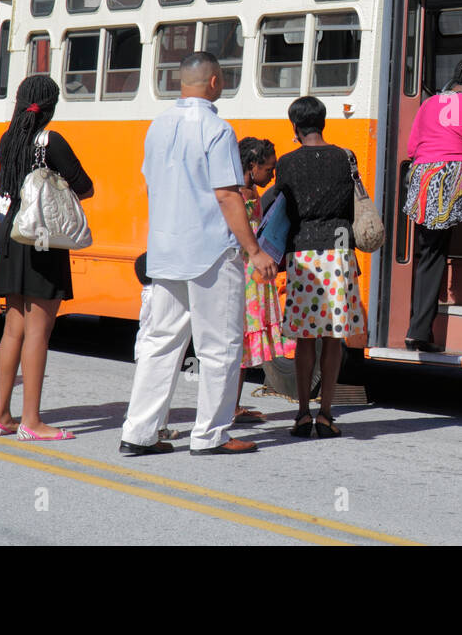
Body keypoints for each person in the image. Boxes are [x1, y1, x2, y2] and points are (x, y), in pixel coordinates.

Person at [120, 53, 277, 457]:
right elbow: (227, 193)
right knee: (219, 346)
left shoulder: (157, 127)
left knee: (160, 343)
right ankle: (210, 435)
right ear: (213, 82)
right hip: (209, 253)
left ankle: (138, 433)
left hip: (166, 250)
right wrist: (254, 249)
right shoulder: (217, 128)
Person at [0, 75, 94, 440]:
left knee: (12, 329)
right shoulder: (51, 140)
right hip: (41, 237)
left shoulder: (7, 139)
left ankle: (1, 416)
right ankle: (31, 421)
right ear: (50, 105)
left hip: (11, 234)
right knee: (39, 329)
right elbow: (84, 185)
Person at [276, 95, 367, 438]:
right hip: (340, 252)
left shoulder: (286, 164)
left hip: (303, 253)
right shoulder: (345, 158)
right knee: (333, 338)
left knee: (304, 337)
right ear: (324, 122)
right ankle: (326, 415)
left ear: (296, 127)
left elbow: (283, 211)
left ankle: (301, 414)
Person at [403, 57, 462, 352]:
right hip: (452, 176)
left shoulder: (431, 102)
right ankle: (425, 330)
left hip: (422, 176)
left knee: (430, 253)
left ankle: (418, 330)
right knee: (452, 247)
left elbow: (412, 146)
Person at [234, 136, 284, 424]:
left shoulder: (248, 189)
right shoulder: (237, 194)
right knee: (239, 341)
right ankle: (229, 406)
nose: (272, 174)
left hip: (252, 275)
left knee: (242, 344)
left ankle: (233, 405)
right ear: (252, 165)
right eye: (268, 168)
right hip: (243, 275)